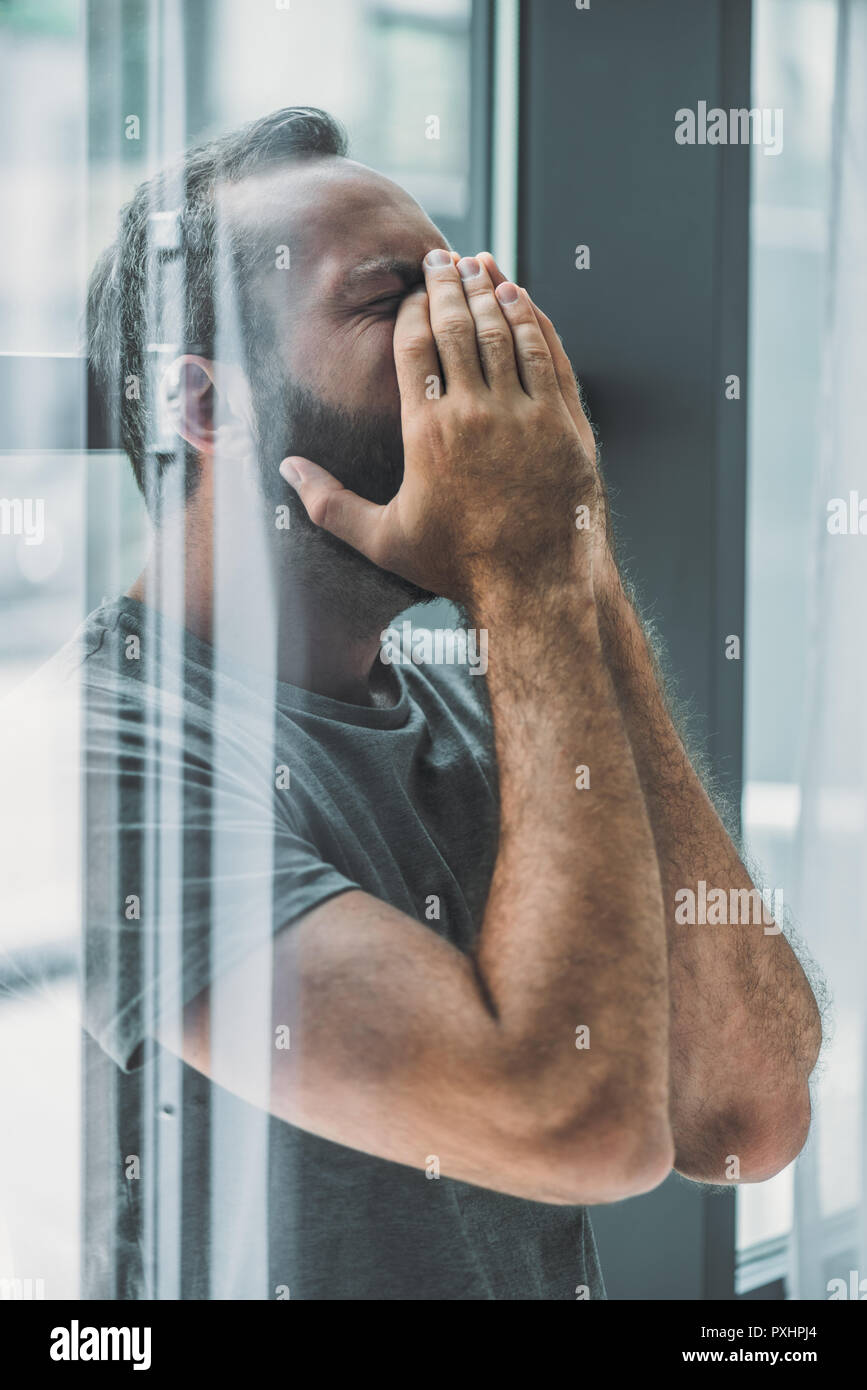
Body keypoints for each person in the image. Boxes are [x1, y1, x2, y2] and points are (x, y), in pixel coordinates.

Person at [47, 107, 822, 1299]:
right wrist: (522, 565)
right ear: (204, 408)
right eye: (391, 299)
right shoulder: (89, 755)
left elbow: (747, 1113)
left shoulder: (496, 702)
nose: (475, 335)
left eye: (462, 284)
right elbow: (576, 1125)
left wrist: (562, 549)